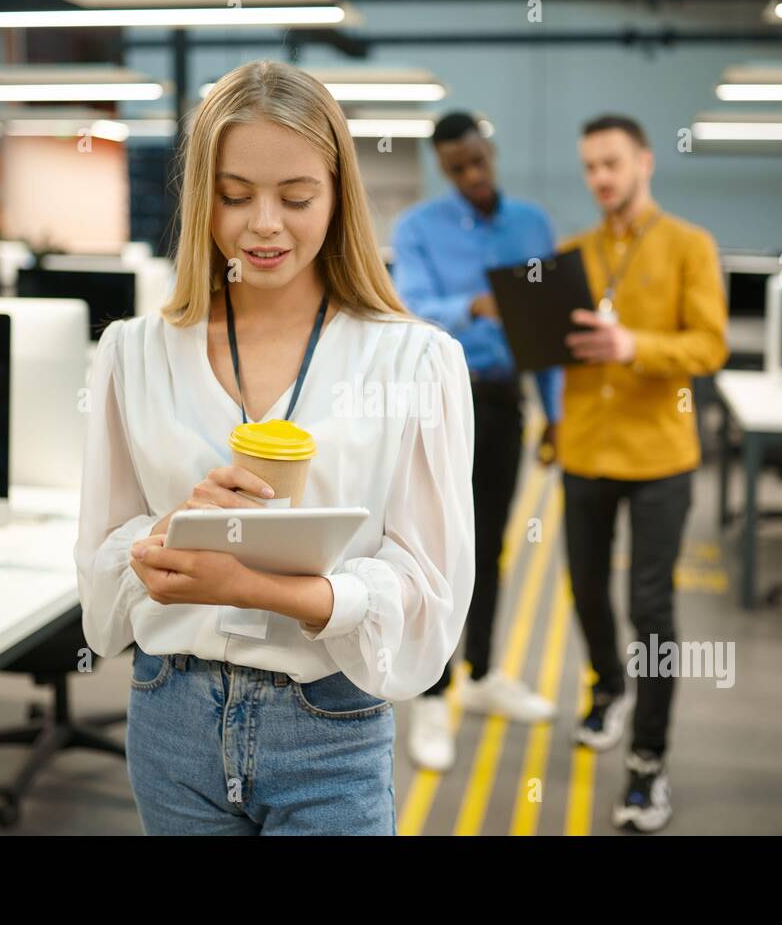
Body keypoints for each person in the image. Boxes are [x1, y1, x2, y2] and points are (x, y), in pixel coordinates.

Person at [74, 60, 476, 835]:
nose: (264, 225)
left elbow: (428, 601)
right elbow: (101, 582)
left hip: (327, 728)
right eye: (234, 196)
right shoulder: (133, 352)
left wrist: (261, 587)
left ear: (337, 196)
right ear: (201, 199)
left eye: (296, 198)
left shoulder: (412, 361)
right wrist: (163, 539)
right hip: (171, 721)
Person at [558, 114, 727, 832]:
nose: (601, 178)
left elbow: (709, 345)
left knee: (650, 608)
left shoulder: (690, 246)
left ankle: (648, 764)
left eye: (612, 164)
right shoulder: (573, 252)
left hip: (660, 458)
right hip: (583, 452)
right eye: (591, 166)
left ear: (644, 163)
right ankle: (610, 686)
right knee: (587, 589)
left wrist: (634, 346)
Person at [391, 111, 562, 773]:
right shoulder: (419, 228)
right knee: (438, 544)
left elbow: (546, 331)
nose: (472, 175)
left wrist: (556, 413)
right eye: (457, 167)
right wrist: (477, 304)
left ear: (490, 150)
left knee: (489, 543)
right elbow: (410, 309)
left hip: (503, 399)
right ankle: (432, 693)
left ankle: (484, 673)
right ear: (442, 166)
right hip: (441, 401)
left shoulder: (532, 224)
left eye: (478, 161)